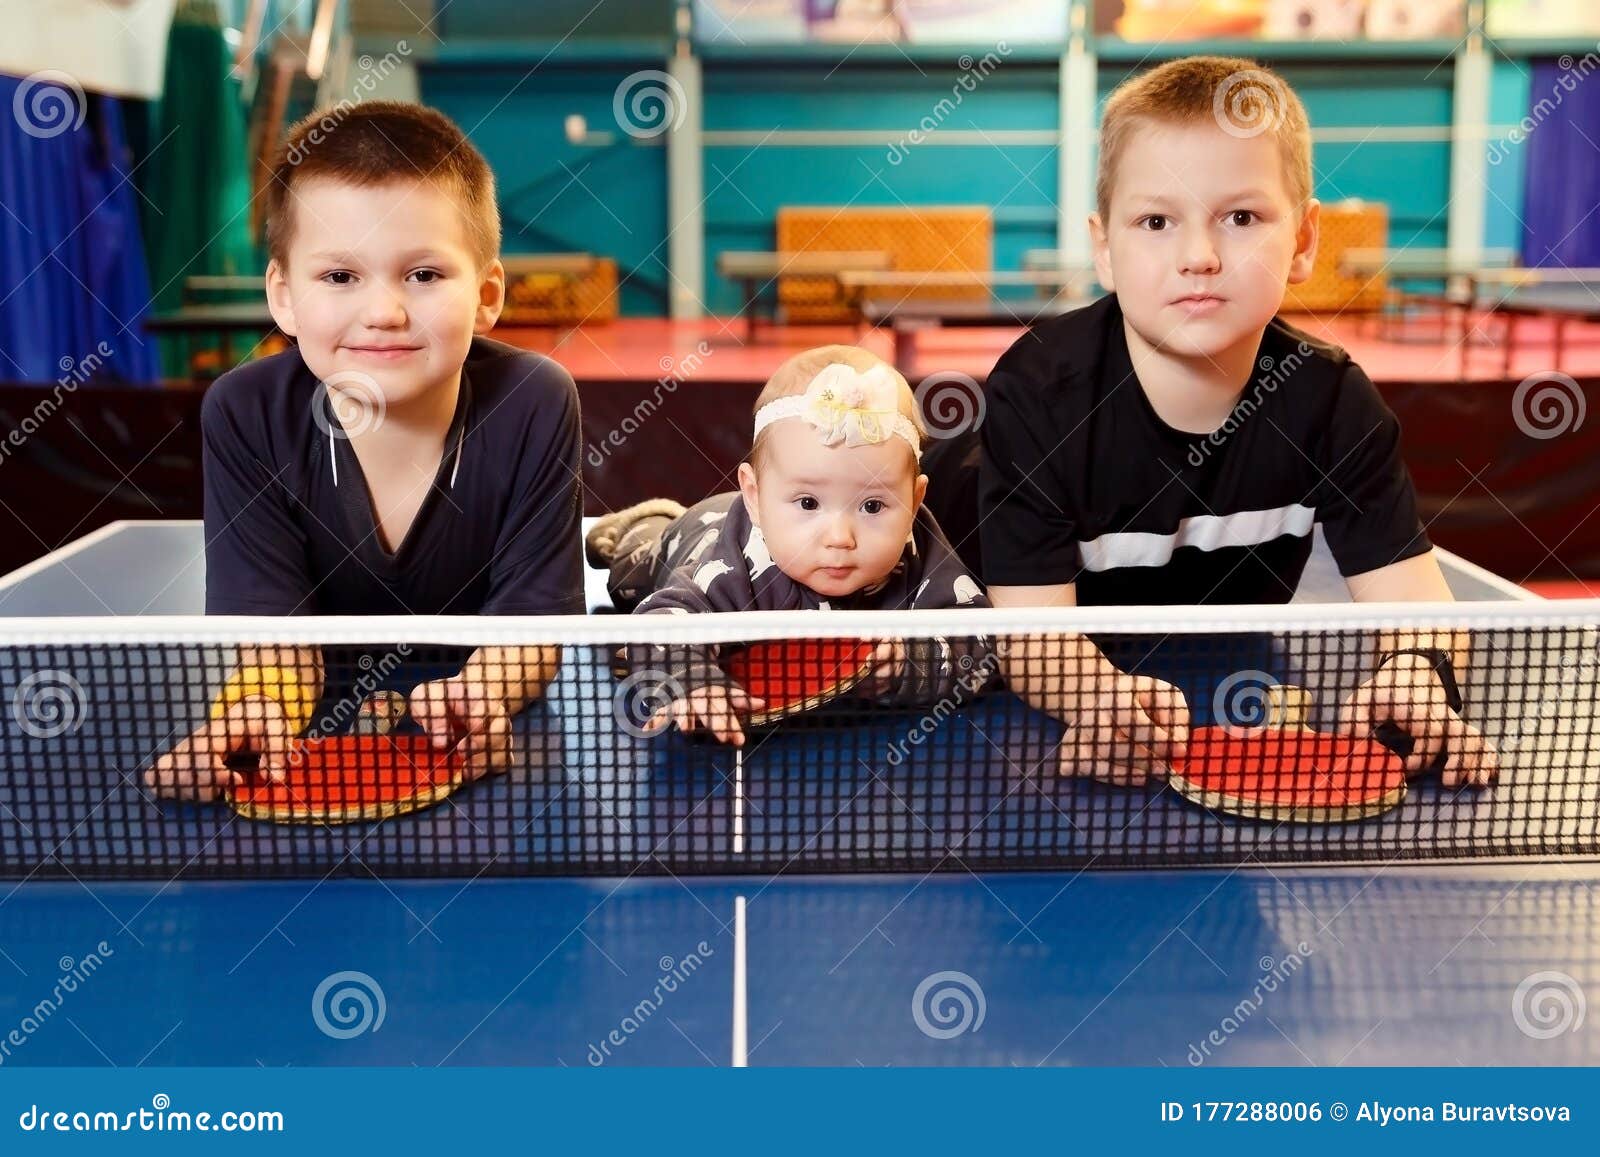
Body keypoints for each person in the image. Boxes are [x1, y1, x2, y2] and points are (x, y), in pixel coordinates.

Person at [970, 56, 1497, 788]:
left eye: (1241, 217)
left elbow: (1417, 603)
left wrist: (1416, 672)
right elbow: (1034, 643)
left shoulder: (1333, 403)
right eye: (1156, 221)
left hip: (1231, 675)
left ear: (1306, 241)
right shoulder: (1038, 395)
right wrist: (1101, 698)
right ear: (1104, 249)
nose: (1199, 257)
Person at [147, 101, 584, 798]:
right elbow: (272, 628)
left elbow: (533, 624)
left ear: (488, 293)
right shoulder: (245, 413)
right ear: (284, 297)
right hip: (320, 725)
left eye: (424, 275)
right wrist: (261, 708)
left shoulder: (535, 399)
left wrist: (479, 694)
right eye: (341, 277)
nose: (384, 312)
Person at [587, 346, 990, 745]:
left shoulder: (923, 554)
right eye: (809, 503)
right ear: (755, 495)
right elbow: (657, 623)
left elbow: (985, 645)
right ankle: (643, 525)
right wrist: (690, 678)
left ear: (916, 501)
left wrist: (912, 664)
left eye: (872, 505)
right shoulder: (731, 570)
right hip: (692, 536)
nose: (839, 537)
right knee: (631, 577)